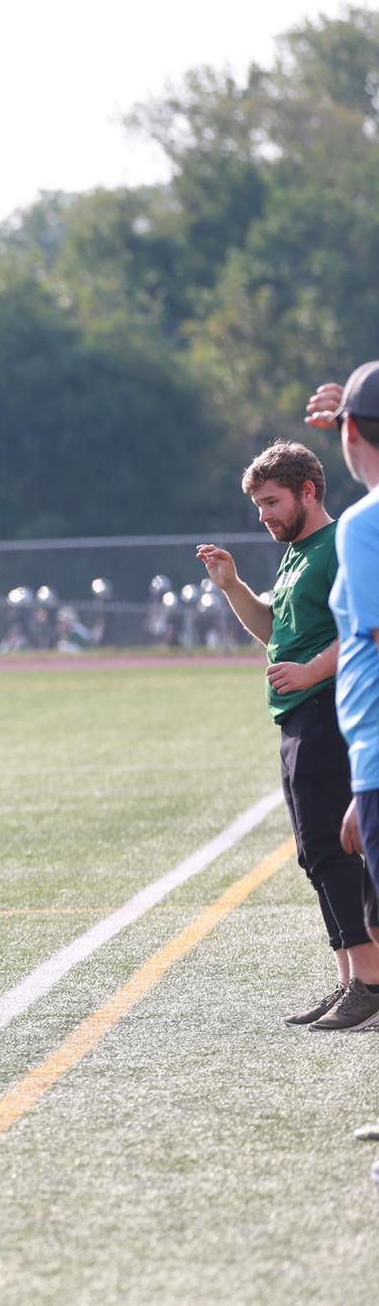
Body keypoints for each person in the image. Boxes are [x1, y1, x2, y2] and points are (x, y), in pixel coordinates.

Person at [199, 441, 379, 1030]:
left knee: (333, 846)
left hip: (327, 708)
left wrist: (311, 672)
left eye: (271, 502)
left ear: (309, 491)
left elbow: (359, 631)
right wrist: (231, 586)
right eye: (257, 506)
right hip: (298, 711)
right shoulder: (297, 553)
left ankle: (369, 981)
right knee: (315, 851)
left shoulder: (338, 545)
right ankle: (348, 980)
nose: (263, 516)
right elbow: (275, 630)